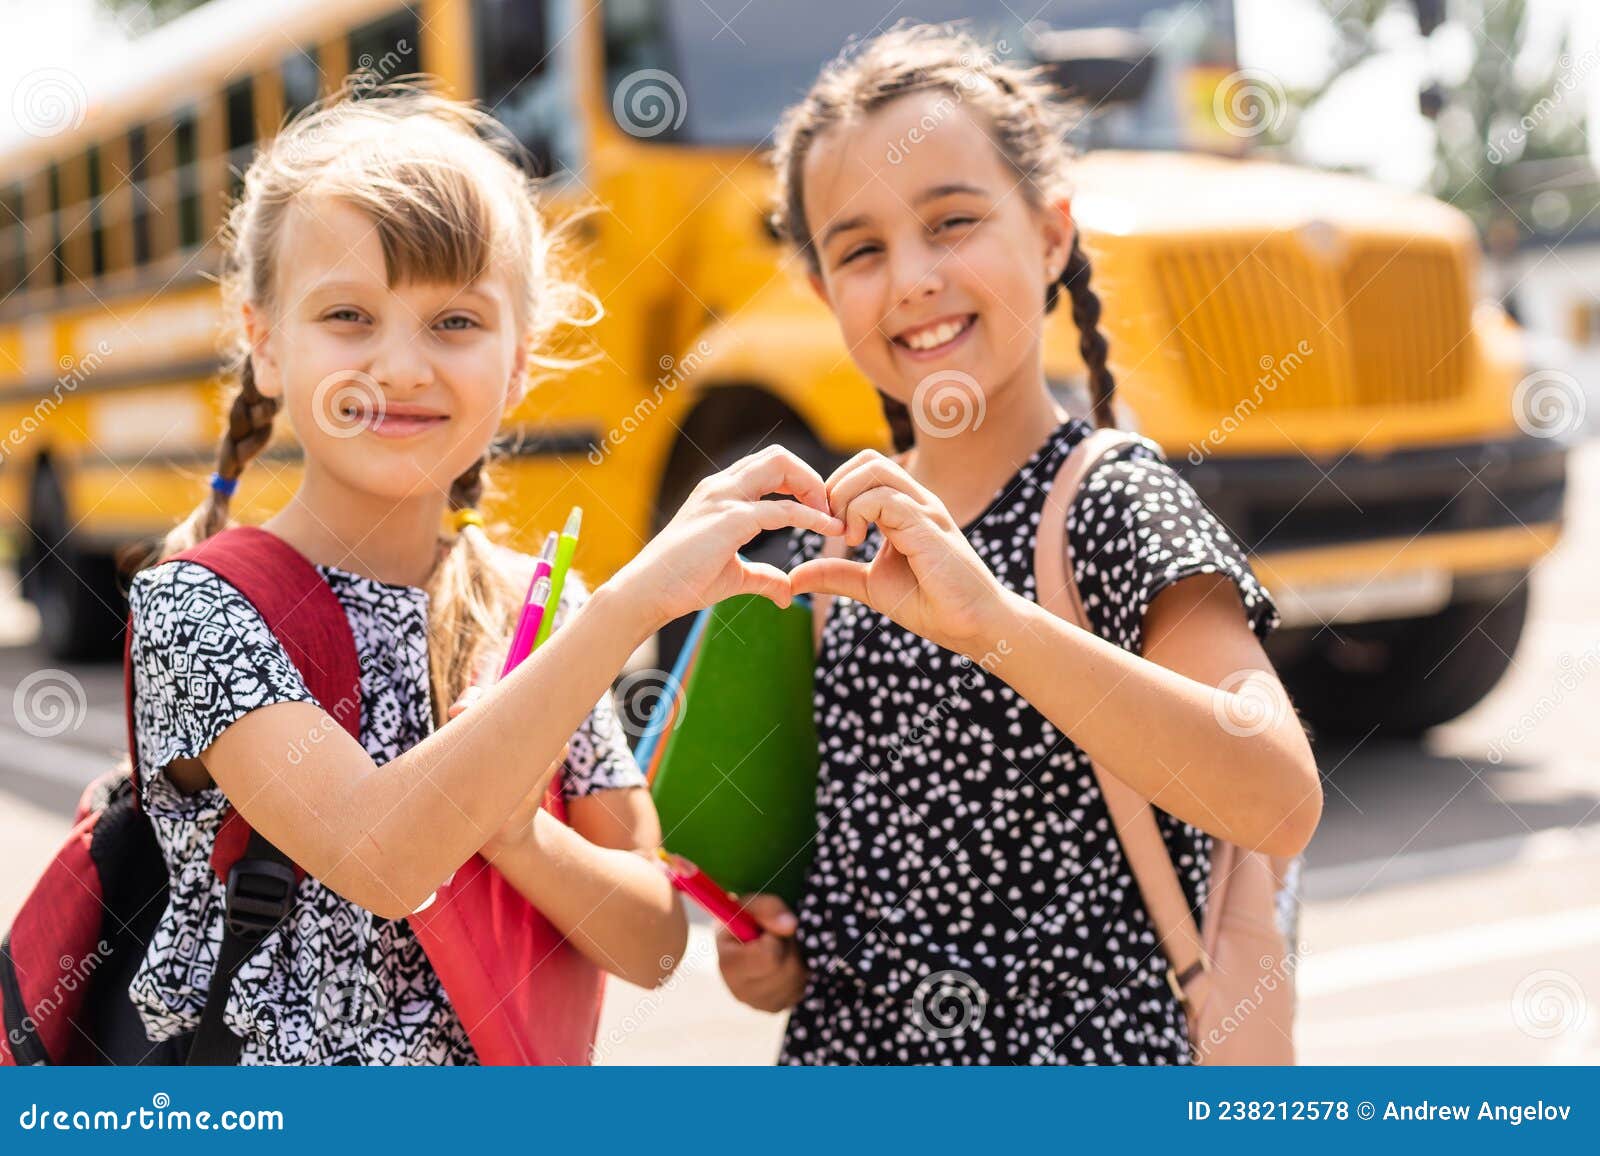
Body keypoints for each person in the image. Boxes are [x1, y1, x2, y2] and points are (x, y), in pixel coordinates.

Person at [124, 81, 843, 1064]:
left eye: (455, 322)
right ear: (265, 343)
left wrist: (520, 836)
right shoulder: (197, 605)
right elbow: (380, 858)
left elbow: (654, 944)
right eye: (348, 315)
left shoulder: (539, 608)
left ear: (518, 362)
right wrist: (631, 605)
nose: (403, 366)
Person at [715, 25, 1321, 1065]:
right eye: (860, 250)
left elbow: (1277, 795)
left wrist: (995, 624)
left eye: (952, 222)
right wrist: (776, 954)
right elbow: (867, 890)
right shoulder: (842, 536)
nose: (911, 278)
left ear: (1049, 237)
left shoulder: (1109, 503)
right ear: (822, 292)